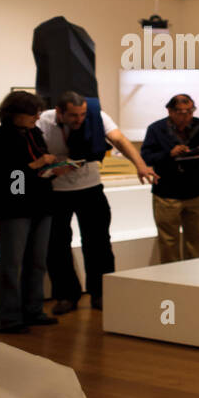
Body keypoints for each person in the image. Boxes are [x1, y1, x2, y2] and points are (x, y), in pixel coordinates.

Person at [38, 91, 157, 314]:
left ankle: (100, 293)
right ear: (59, 112)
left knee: (98, 242)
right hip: (56, 191)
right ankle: (66, 295)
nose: (79, 120)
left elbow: (119, 139)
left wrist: (140, 164)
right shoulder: (43, 121)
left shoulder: (96, 115)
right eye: (73, 115)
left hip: (90, 189)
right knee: (56, 245)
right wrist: (50, 168)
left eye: (82, 114)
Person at [0, 91, 60, 333]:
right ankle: (8, 317)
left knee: (36, 262)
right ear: (14, 114)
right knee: (11, 264)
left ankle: (33, 310)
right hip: (13, 209)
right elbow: (5, 180)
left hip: (41, 205)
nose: (37, 117)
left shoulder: (34, 134)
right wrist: (34, 166)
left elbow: (31, 175)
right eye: (32, 113)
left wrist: (53, 169)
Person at [140, 93, 199, 262]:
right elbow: (147, 156)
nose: (187, 116)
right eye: (181, 112)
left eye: (190, 111)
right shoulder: (156, 129)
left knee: (195, 238)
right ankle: (171, 278)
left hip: (194, 190)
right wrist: (170, 153)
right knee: (168, 240)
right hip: (167, 192)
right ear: (170, 111)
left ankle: (195, 276)